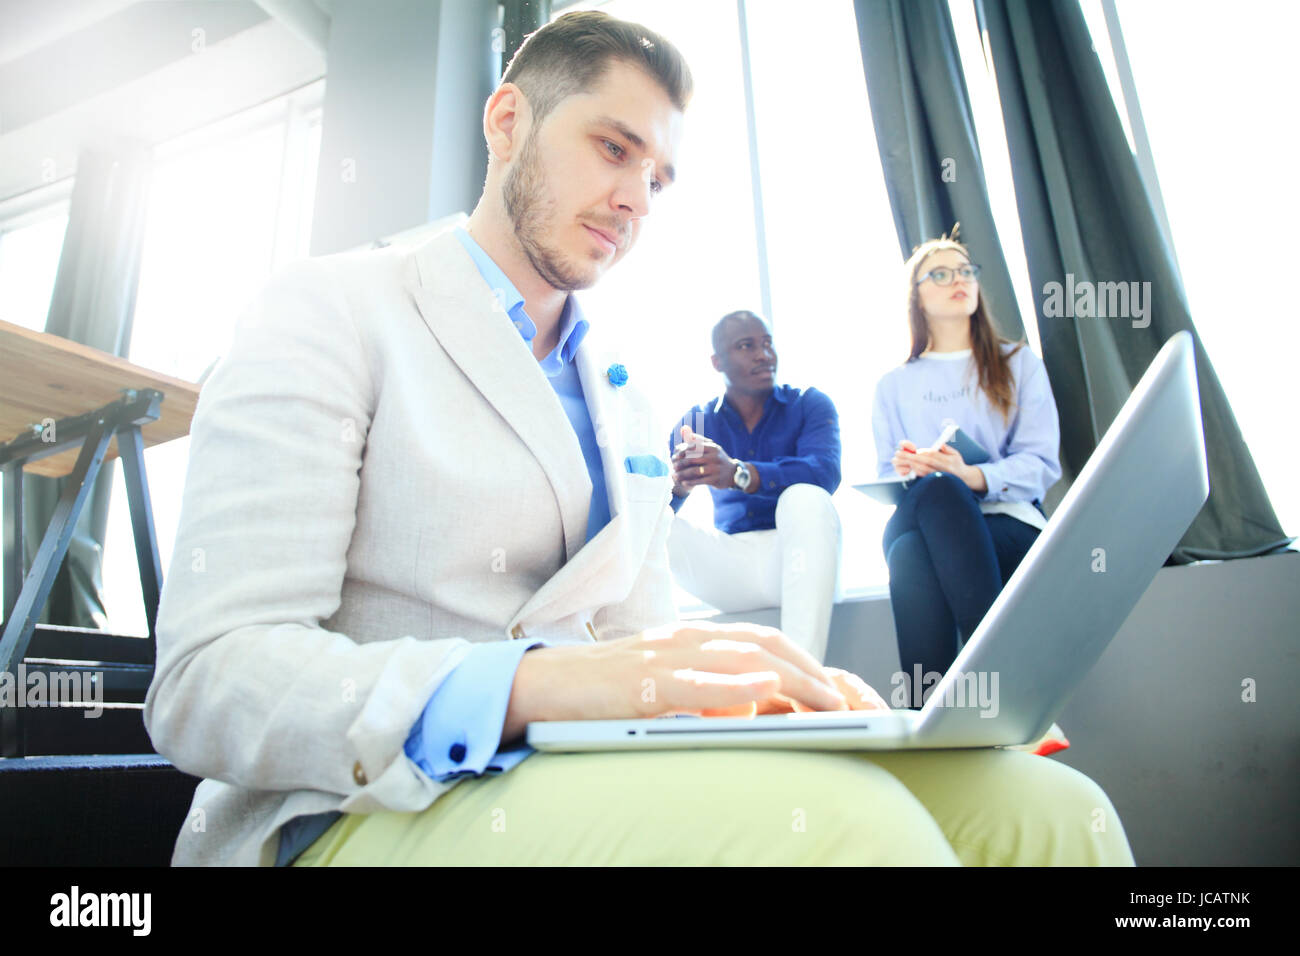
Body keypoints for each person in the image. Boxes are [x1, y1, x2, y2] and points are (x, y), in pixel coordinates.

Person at [145, 12, 1130, 866]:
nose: (635, 200)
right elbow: (209, 680)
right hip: (350, 808)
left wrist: (781, 697)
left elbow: (632, 646)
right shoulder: (330, 309)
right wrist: (537, 685)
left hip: (576, 773)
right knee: (845, 831)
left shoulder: (624, 395)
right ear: (506, 122)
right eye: (613, 149)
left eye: (658, 178)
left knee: (1052, 816)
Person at [872, 230, 1062, 706]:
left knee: (913, 547)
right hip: (925, 509)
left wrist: (972, 476)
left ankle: (924, 714)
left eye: (965, 271)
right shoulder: (894, 385)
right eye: (940, 273)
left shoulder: (1018, 364)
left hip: (1009, 526)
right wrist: (910, 469)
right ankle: (1002, 690)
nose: (958, 279)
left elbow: (1042, 464)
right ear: (916, 297)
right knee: (934, 494)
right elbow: (887, 475)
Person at [666, 310, 843, 664]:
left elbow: (824, 472)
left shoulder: (808, 402)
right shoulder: (697, 419)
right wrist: (679, 487)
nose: (764, 355)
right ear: (717, 362)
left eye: (767, 344)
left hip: (799, 559)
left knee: (806, 497)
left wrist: (738, 473)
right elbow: (660, 505)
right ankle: (651, 673)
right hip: (729, 567)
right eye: (747, 346)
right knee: (651, 521)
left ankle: (802, 678)